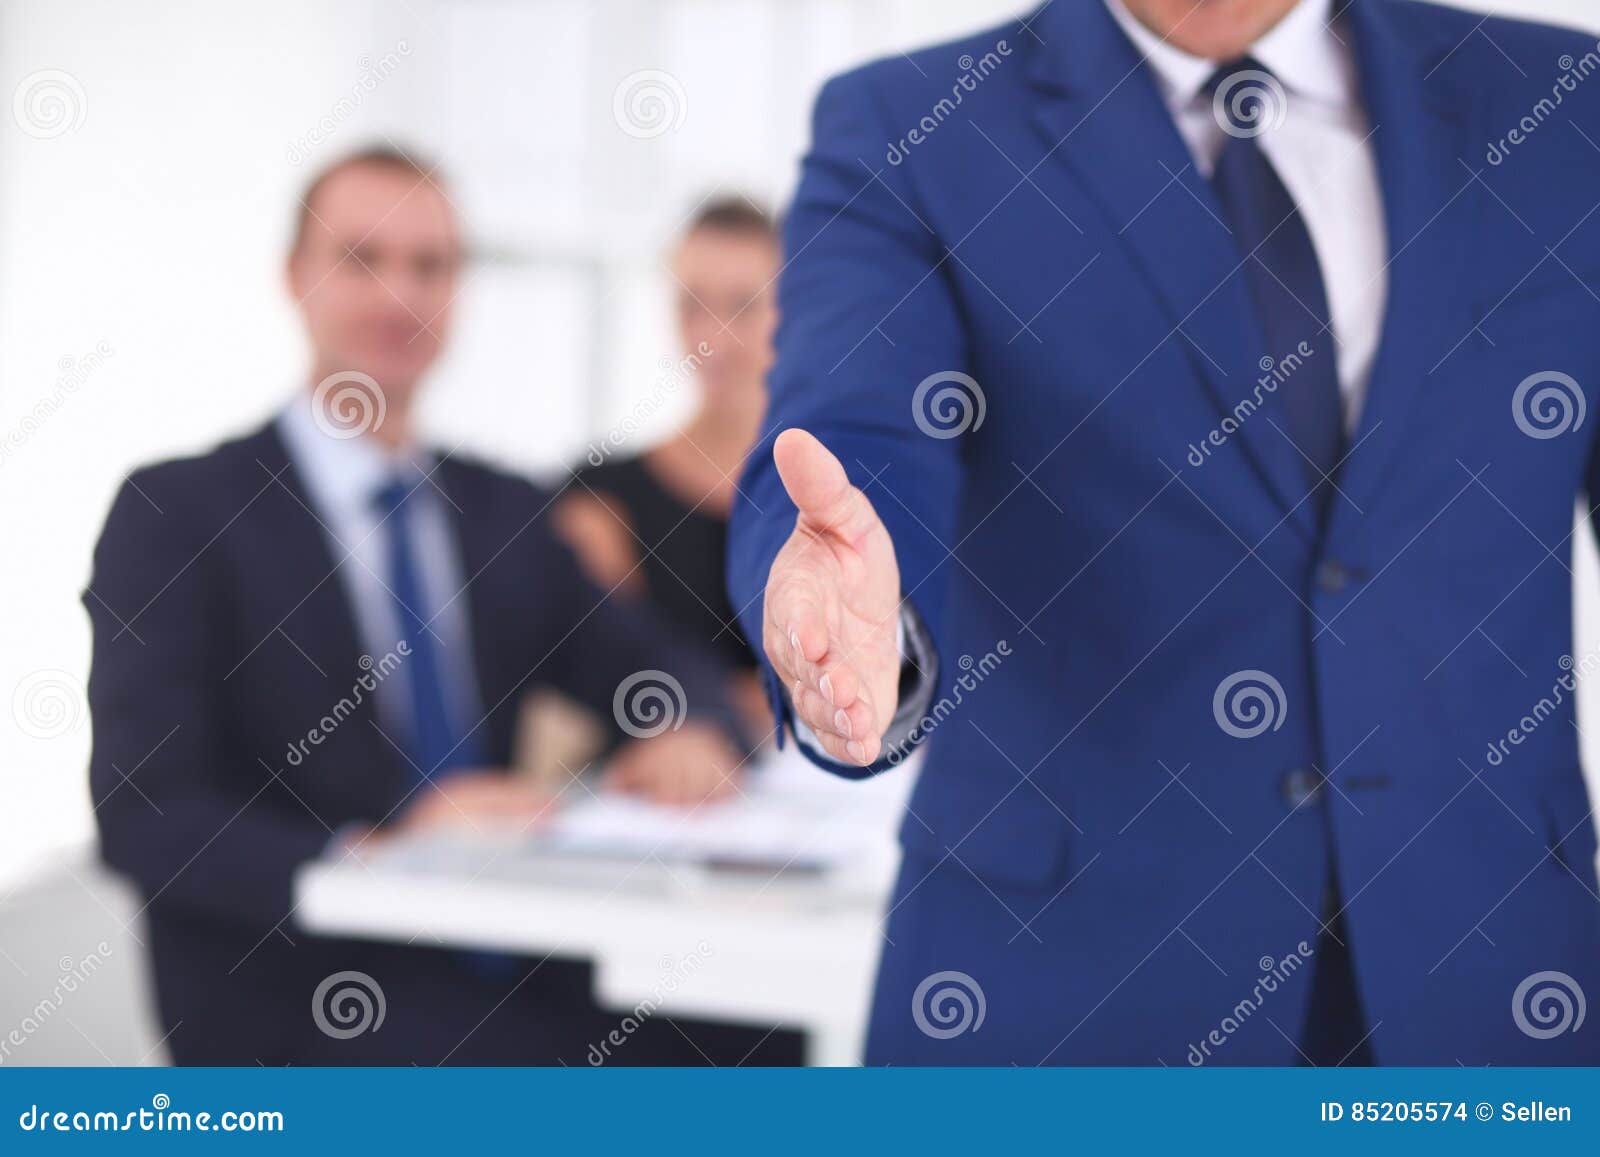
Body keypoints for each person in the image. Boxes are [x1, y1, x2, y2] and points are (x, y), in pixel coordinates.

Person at [727, 0, 1600, 1066]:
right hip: (1067, 988)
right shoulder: (914, 126)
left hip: (1492, 977)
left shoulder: (1563, 106)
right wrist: (854, 613)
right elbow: (854, 431)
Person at [86, 146, 798, 1065]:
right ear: (294, 278)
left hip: (509, 958)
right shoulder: (179, 513)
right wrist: (381, 849)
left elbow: (652, 662)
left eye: (431, 266)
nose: (400, 295)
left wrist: (693, 728)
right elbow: (146, 812)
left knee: (759, 1041)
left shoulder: (500, 509)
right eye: (361, 260)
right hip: (306, 989)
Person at [559, 197, 780, 738]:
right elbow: (613, 679)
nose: (714, 337)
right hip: (659, 802)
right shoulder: (601, 498)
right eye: (691, 305)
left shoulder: (839, 494)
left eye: (743, 305)